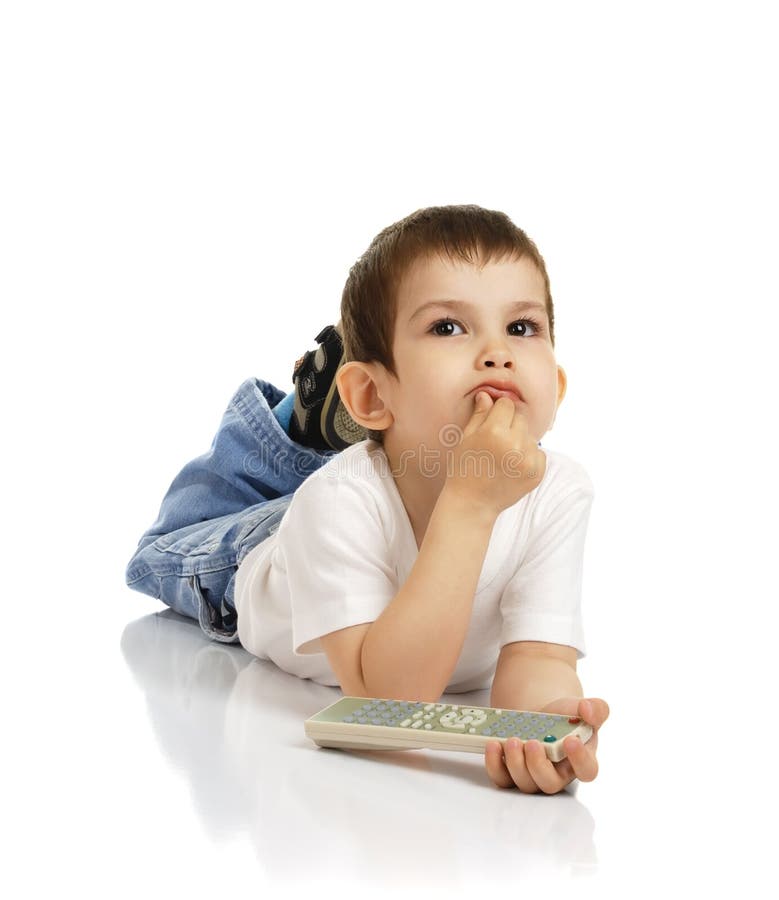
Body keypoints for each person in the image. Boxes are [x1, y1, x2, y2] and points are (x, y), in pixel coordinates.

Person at [125, 204, 609, 793]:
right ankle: (289, 430)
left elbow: (538, 656)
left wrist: (537, 730)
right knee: (169, 544)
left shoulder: (560, 491)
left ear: (554, 389)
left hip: (374, 497)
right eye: (449, 327)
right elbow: (390, 703)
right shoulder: (333, 503)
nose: (498, 353)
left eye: (522, 328)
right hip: (258, 560)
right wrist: (471, 504)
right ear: (373, 394)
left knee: (368, 476)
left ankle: (332, 435)